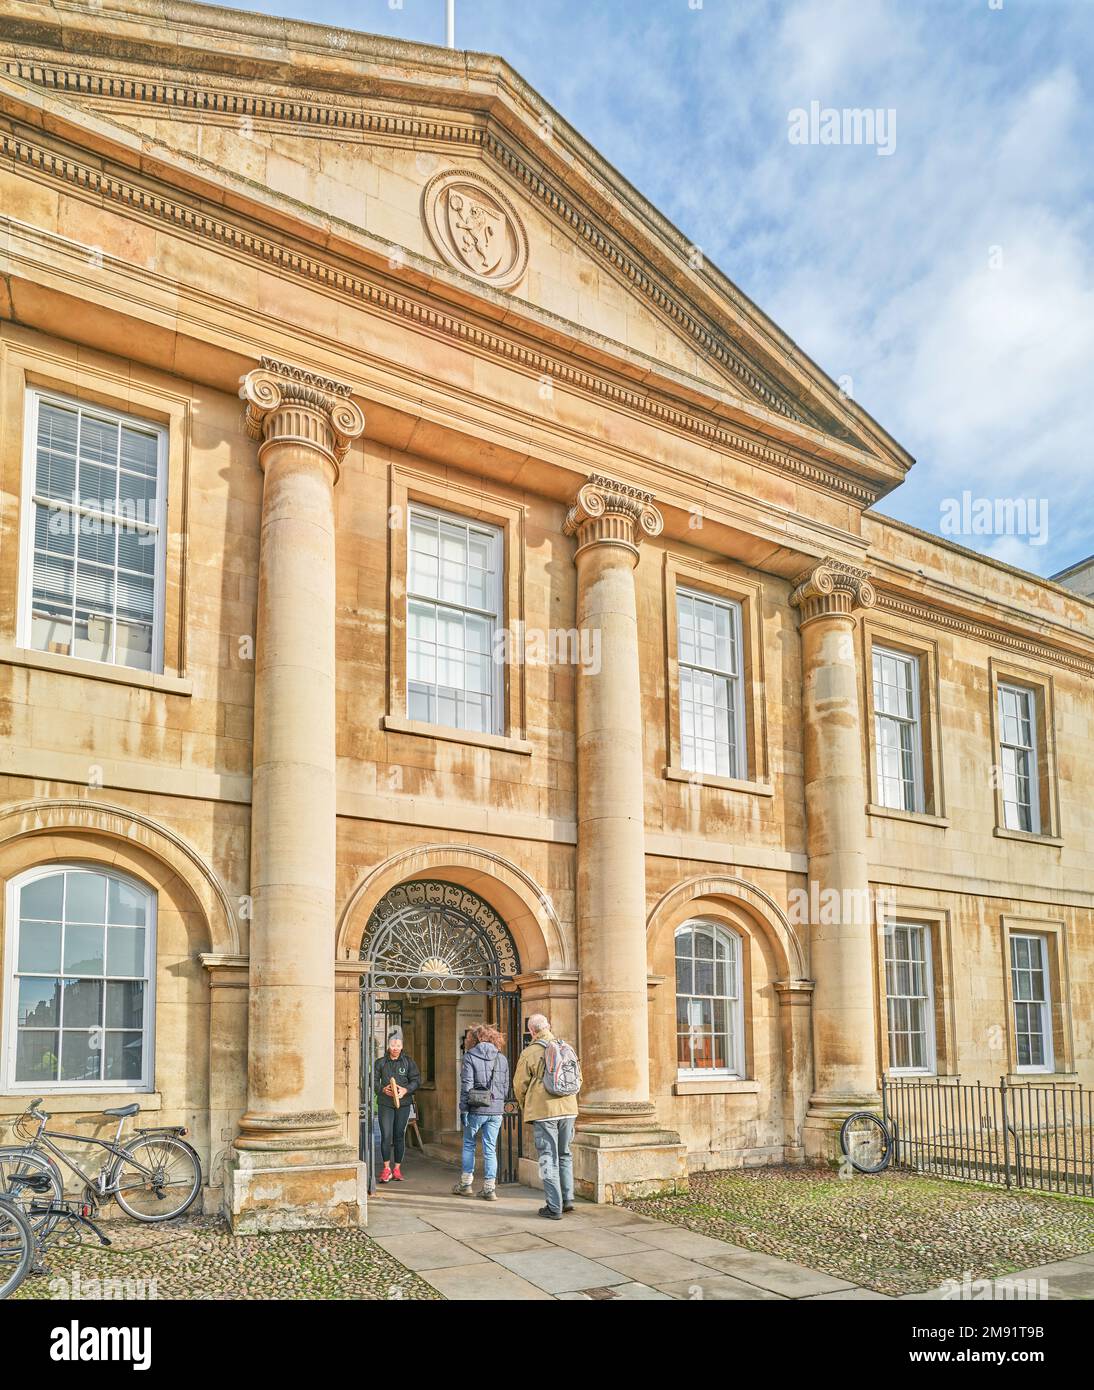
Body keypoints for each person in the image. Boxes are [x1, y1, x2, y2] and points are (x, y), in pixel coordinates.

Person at [513, 1013, 581, 1220]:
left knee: (547, 1158)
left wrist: (526, 1106)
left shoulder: (530, 1052)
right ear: (548, 1026)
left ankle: (553, 1206)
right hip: (569, 1108)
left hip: (544, 1112)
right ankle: (567, 1199)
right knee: (565, 1154)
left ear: (531, 1031)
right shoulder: (566, 1047)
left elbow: (519, 1085)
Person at [453, 1023, 510, 1201]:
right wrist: (497, 1102)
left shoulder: (470, 1056)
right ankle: (489, 1189)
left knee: (469, 1144)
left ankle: (465, 1185)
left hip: (476, 1108)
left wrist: (464, 1109)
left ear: (475, 1039)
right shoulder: (502, 1058)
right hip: (496, 1110)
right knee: (490, 1149)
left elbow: (467, 1085)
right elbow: (506, 1086)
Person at [374, 1029, 421, 1184]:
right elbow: (373, 1081)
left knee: (399, 1135)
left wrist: (406, 1090)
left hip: (404, 1104)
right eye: (393, 1045)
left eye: (398, 1045)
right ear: (388, 1046)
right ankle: (386, 1168)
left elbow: (416, 1080)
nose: (395, 1048)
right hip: (385, 1104)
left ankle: (397, 1169)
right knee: (386, 1135)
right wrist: (382, 1089)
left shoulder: (408, 1062)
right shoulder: (380, 1063)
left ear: (402, 1046)